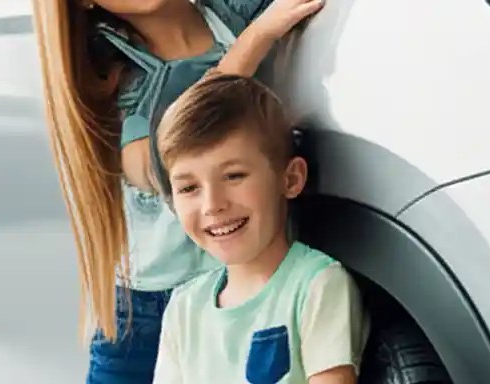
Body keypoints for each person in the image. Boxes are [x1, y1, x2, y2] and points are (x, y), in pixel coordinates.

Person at [26, 0, 448, 383]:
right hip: (149, 316)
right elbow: (168, 156)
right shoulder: (114, 86)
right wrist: (260, 35)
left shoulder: (223, 6)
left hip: (245, 285)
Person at [152, 74, 367, 384]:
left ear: (290, 179)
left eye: (234, 176)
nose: (212, 205)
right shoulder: (183, 307)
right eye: (189, 188)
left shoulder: (317, 285)